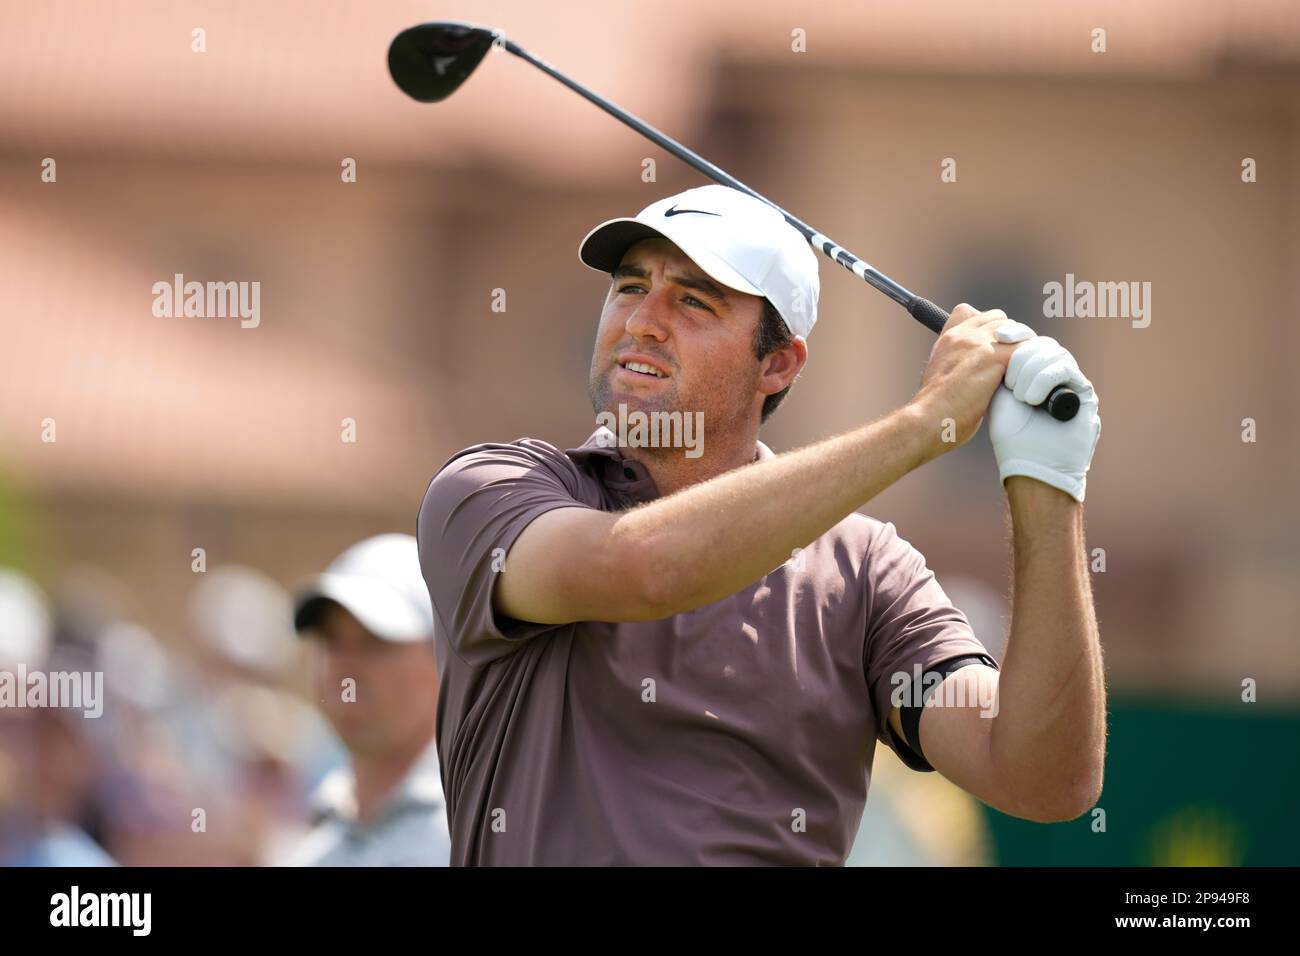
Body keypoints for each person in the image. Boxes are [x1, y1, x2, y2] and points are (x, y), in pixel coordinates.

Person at [416, 184, 1105, 865]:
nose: (641, 321)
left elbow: (1041, 780)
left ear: (777, 363)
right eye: (629, 287)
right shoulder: (493, 493)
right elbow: (641, 568)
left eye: (691, 300)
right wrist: (924, 423)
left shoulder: (864, 573)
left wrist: (1047, 484)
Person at [284, 534, 450, 866]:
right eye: (331, 640)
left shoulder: (478, 837)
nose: (344, 667)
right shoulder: (308, 848)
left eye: (375, 641)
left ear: (442, 658)